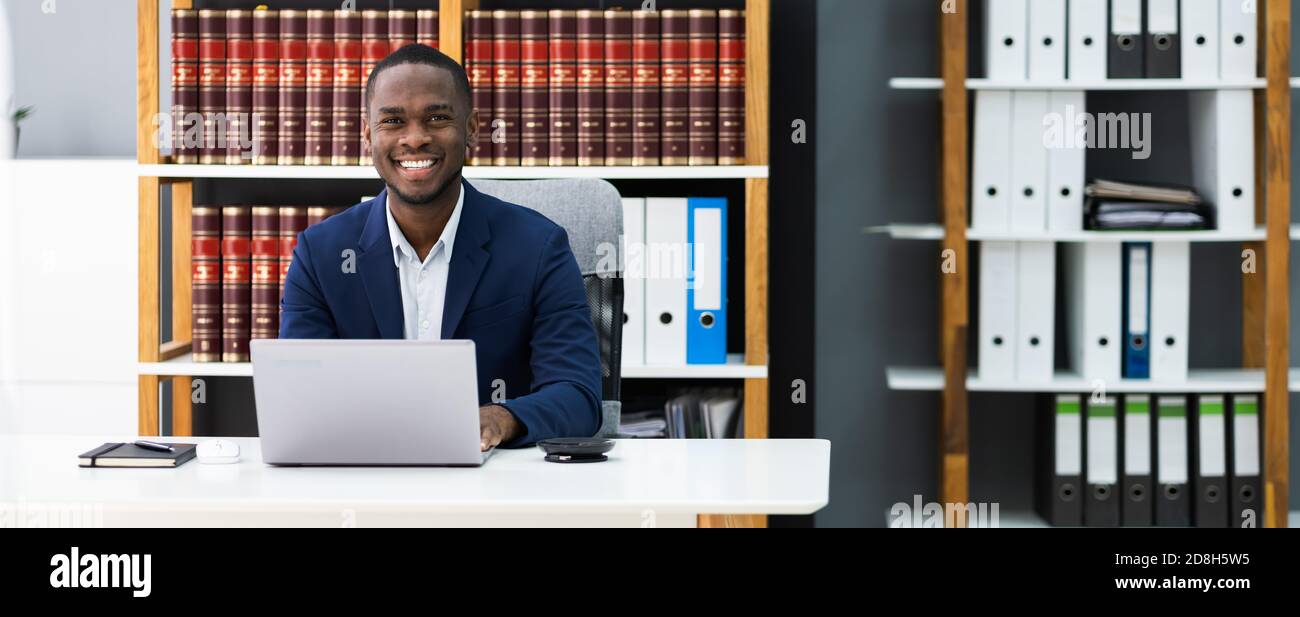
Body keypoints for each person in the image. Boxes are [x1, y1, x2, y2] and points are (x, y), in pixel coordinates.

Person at [280, 44, 602, 450]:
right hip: (362, 480)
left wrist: (502, 418)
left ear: (471, 129)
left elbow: (579, 397)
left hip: (496, 489)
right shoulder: (321, 255)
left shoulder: (539, 247)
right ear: (368, 135)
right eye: (393, 121)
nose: (415, 138)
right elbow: (298, 400)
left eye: (437, 118)